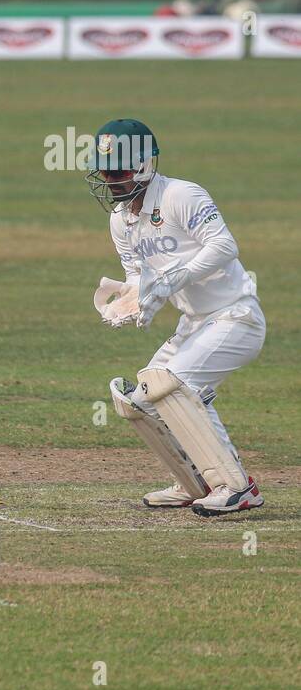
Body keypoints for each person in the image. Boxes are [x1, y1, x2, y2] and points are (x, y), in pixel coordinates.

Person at [87, 119, 264, 516]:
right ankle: (194, 482)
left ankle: (236, 487)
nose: (111, 180)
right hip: (194, 323)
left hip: (236, 317)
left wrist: (173, 279)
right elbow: (138, 275)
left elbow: (224, 245)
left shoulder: (182, 194)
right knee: (139, 401)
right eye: (104, 171)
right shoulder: (121, 220)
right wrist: (128, 299)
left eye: (119, 171)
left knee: (174, 387)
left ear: (145, 166)